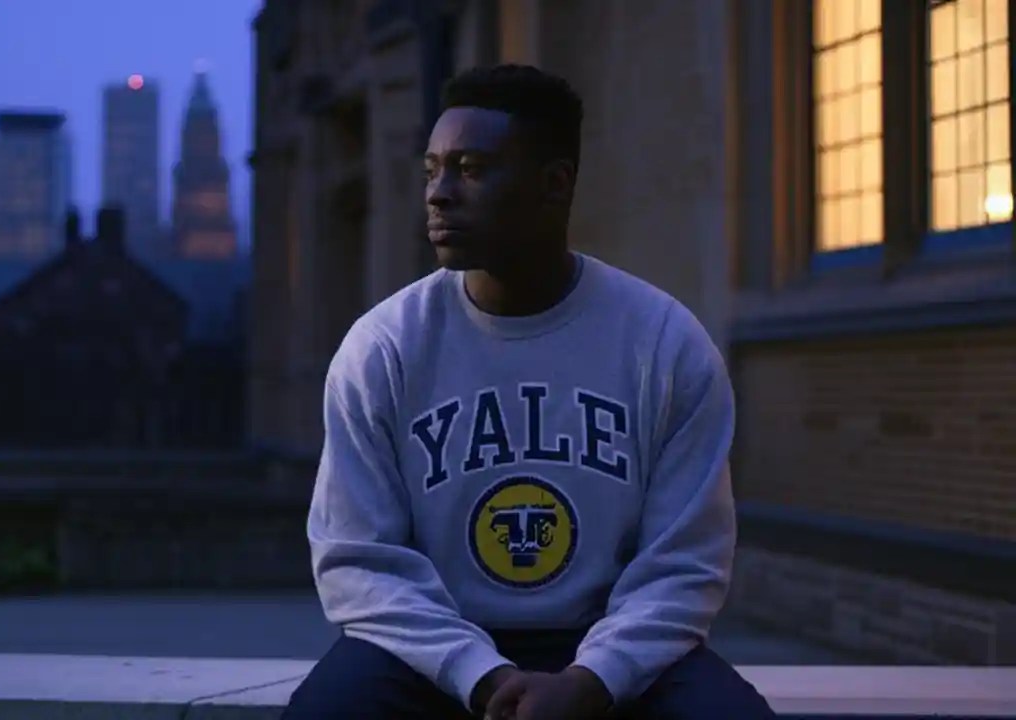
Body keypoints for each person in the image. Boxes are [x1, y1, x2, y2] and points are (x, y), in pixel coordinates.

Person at [281, 64, 777, 720]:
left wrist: (591, 681)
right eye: (431, 170)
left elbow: (684, 564)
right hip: (433, 643)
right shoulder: (383, 348)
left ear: (554, 185)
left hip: (611, 638)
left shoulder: (665, 344)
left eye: (471, 168)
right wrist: (480, 676)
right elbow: (358, 562)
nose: (440, 194)